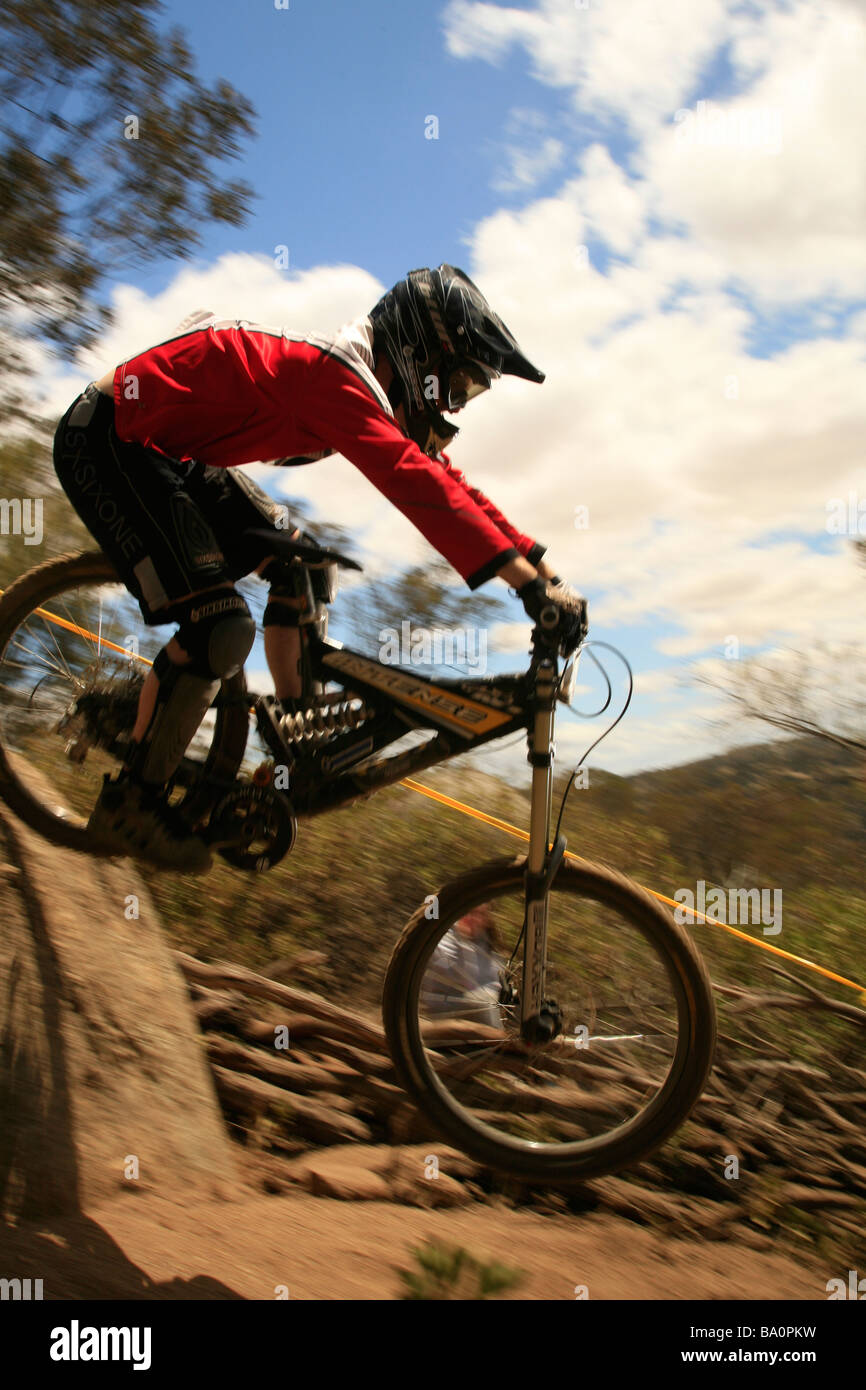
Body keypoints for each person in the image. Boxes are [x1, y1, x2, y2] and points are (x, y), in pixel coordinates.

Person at [52, 264, 587, 873]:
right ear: (416, 354)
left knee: (304, 567)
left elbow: (443, 478)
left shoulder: (354, 382)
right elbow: (414, 485)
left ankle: (291, 755)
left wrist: (542, 569)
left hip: (174, 451)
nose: (455, 406)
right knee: (220, 628)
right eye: (455, 387)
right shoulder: (334, 375)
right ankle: (133, 803)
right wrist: (523, 585)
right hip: (110, 438)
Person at [420, 906, 506, 1029]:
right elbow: (442, 962)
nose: (472, 918)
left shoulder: (484, 942)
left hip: (477, 1005)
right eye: (468, 912)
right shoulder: (446, 937)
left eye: (480, 914)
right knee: (487, 1001)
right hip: (446, 1010)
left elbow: (497, 975)